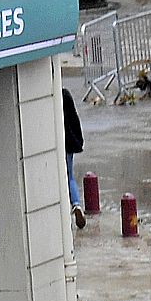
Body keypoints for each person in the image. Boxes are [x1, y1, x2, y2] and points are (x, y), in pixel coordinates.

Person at [62, 88, 83, 230]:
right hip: (69, 143)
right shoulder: (65, 95)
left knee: (62, 177)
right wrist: (78, 141)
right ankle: (76, 203)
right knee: (69, 176)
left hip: (56, 144)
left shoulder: (53, 97)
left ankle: (64, 208)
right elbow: (75, 119)